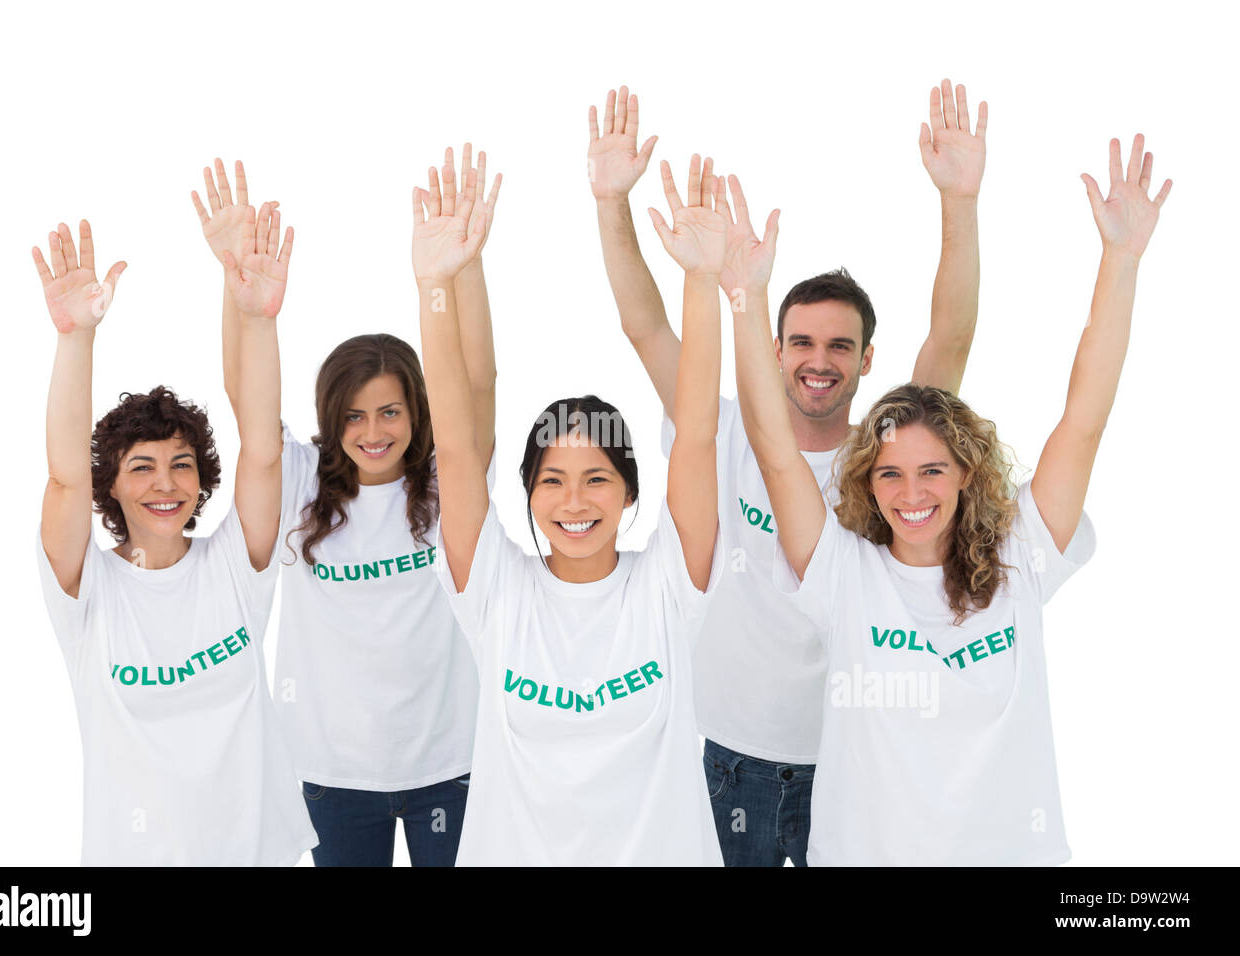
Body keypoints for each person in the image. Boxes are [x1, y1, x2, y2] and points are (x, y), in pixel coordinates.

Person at [735, 134, 1170, 865]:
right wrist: (742, 296)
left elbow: (1086, 417)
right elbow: (776, 449)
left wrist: (1120, 260)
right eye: (890, 474)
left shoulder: (1021, 555)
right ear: (865, 485)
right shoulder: (842, 571)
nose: (912, 494)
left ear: (966, 473)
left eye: (933, 471)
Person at [587, 81, 986, 865]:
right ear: (775, 351)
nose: (818, 361)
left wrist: (959, 202)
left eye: (840, 346)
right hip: (735, 757)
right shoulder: (720, 426)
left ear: (867, 361)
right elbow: (643, 323)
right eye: (801, 342)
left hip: (860, 758)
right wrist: (610, 203)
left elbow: (954, 331)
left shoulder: (895, 456)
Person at [418, 154, 725, 865]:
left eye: (597, 479)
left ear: (630, 494)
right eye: (552, 480)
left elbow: (700, 430)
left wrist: (702, 282)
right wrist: (436, 285)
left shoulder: (668, 589)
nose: (575, 501)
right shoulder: (495, 590)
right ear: (527, 493)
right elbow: (459, 450)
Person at [196, 151, 499, 866]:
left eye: (390, 411)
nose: (373, 432)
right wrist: (239, 295)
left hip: (449, 767)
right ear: (329, 419)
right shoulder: (299, 480)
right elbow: (248, 401)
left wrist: (463, 270)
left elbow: (480, 382)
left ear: (417, 412)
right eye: (354, 415)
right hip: (331, 777)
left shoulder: (444, 480)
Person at [33, 210, 318, 865]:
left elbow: (265, 455)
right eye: (142, 467)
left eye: (181, 464)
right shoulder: (87, 592)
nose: (166, 484)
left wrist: (259, 319)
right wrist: (76, 339)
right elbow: (64, 481)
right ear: (113, 485)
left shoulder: (235, 569)